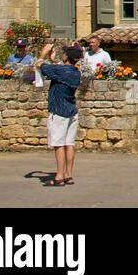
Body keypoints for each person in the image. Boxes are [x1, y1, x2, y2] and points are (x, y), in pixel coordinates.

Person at [37, 43, 82, 186]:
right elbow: (57, 72)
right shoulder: (75, 71)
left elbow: (40, 65)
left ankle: (59, 176)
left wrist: (43, 55)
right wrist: (54, 61)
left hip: (59, 111)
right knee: (69, 144)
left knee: (59, 145)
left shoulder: (62, 71)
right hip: (71, 110)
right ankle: (68, 174)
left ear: (66, 57)